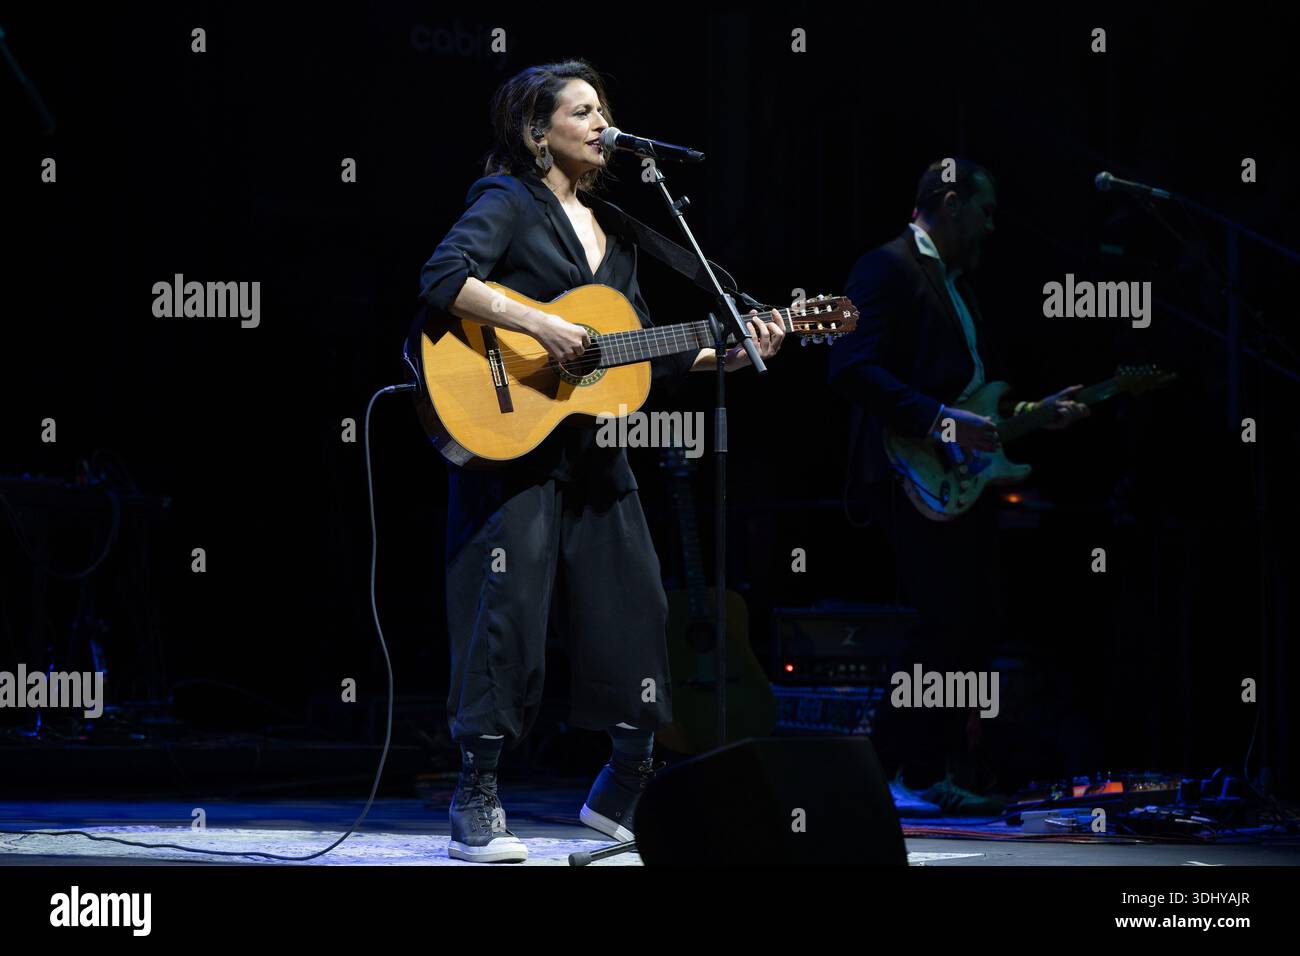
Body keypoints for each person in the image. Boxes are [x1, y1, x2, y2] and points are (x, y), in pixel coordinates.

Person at [417, 59, 785, 862]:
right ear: (534, 131)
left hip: (597, 454)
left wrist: (725, 350)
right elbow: (444, 278)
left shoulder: (620, 229)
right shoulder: (508, 201)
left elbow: (634, 355)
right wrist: (541, 325)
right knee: (504, 617)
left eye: (603, 111)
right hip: (509, 444)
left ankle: (624, 785)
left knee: (638, 606)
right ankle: (474, 798)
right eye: (580, 111)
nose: (598, 124)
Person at [828, 159, 1088, 814]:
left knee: (974, 622)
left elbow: (973, 401)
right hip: (906, 471)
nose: (992, 224)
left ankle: (923, 767)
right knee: (944, 620)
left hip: (956, 480)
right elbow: (851, 367)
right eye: (986, 209)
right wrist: (941, 420)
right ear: (950, 201)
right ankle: (893, 770)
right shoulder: (885, 267)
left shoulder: (956, 285)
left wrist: (1034, 416)